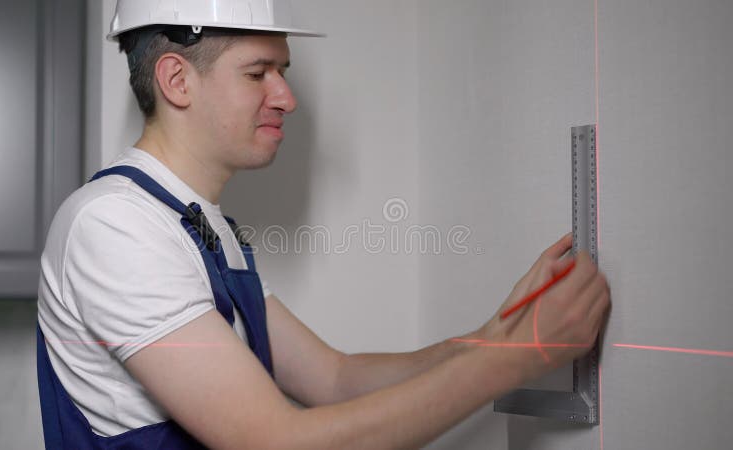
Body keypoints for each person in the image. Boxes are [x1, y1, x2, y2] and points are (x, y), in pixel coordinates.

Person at [36, 0, 611, 448]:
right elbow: (274, 441)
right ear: (177, 80)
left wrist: (497, 334)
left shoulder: (207, 230)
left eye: (281, 71)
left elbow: (336, 379)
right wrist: (524, 354)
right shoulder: (112, 226)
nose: (286, 97)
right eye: (258, 73)